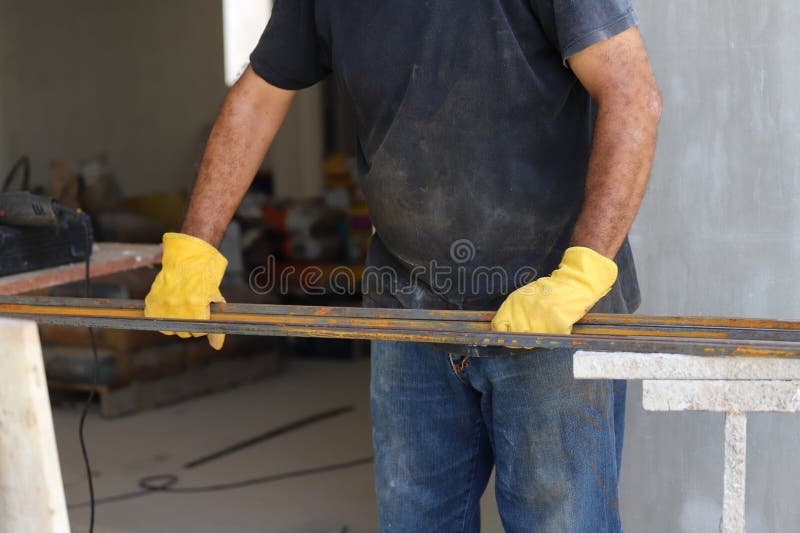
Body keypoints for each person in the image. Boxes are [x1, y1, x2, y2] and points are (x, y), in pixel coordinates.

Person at [144, 1, 661, 530]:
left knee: (562, 522)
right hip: (408, 302)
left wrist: (583, 272)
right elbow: (257, 98)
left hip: (551, 303)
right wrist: (195, 246)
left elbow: (631, 93)